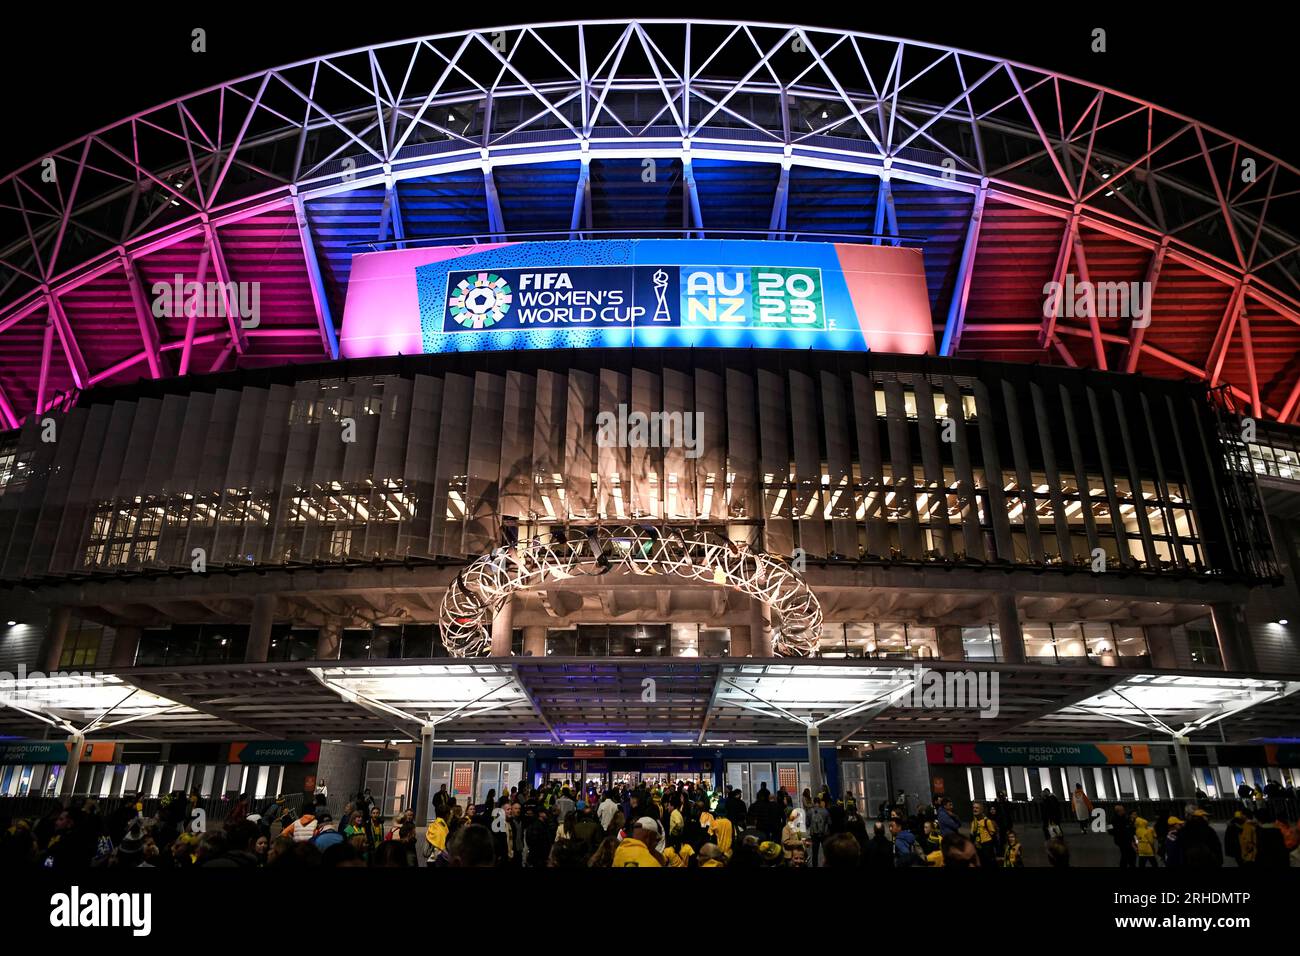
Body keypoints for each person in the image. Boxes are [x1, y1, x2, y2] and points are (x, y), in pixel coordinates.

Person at [970, 801, 998, 868]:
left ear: (982, 810)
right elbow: (972, 835)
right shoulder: (973, 822)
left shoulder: (987, 821)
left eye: (977, 808)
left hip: (987, 847)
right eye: (973, 808)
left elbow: (993, 834)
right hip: (978, 847)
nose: (974, 809)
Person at [807, 796, 830, 866]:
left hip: (814, 834)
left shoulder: (809, 811)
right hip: (823, 834)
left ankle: (815, 865)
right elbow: (829, 823)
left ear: (813, 802)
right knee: (826, 851)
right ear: (820, 803)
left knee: (815, 852)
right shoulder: (825, 811)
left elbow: (807, 824)